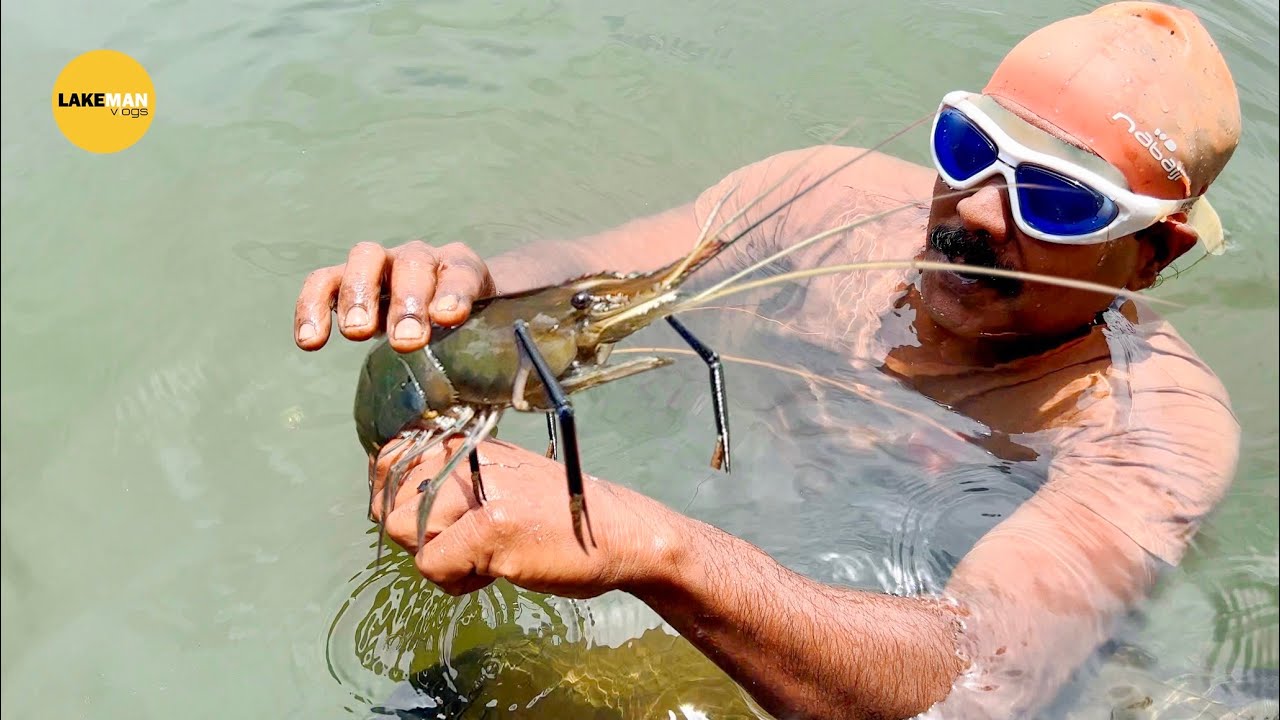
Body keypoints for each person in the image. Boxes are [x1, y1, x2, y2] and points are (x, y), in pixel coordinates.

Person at [293, 3, 1243, 718]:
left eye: (1061, 202)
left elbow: (976, 674)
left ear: (1154, 256)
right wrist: (467, 285)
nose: (984, 212)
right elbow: (605, 276)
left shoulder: (1154, 429)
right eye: (971, 148)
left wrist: (654, 548)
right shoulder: (817, 207)